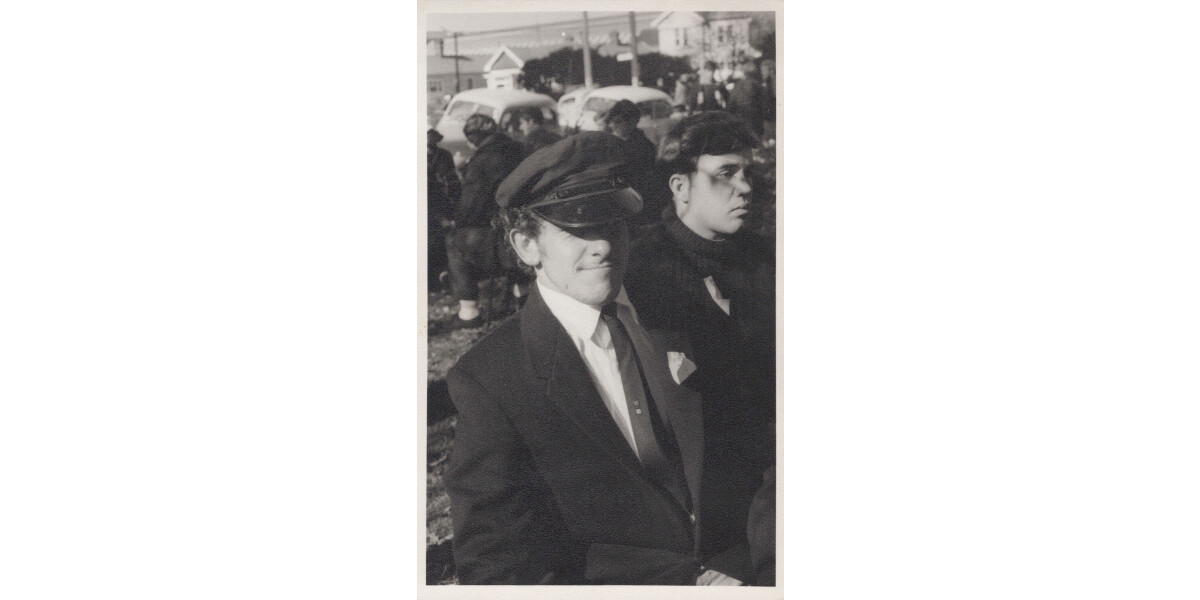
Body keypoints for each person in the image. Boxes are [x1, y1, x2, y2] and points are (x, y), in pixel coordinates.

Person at [446, 132, 747, 585]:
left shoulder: (684, 313)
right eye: (577, 230)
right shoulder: (492, 379)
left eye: (612, 224)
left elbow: (758, 446)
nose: (603, 245)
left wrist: (749, 565)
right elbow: (496, 561)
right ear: (527, 245)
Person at [623, 112, 776, 584]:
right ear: (680, 186)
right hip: (699, 516)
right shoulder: (640, 271)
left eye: (748, 172)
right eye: (725, 174)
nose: (744, 188)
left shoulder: (768, 258)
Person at [444, 114, 526, 328]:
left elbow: (471, 206)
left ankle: (468, 312)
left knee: (455, 242)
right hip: (526, 229)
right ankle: (523, 294)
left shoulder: (482, 161)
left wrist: (455, 220)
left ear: (474, 138)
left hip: (498, 238)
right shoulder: (520, 149)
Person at [600, 99, 666, 231]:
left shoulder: (642, 147)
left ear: (633, 122)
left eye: (618, 122)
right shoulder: (610, 141)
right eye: (611, 121)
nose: (612, 126)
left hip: (634, 206)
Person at [427, 129, 460, 291]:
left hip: (443, 201)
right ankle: (435, 278)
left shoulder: (445, 155)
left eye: (433, 138)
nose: (431, 141)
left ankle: (445, 274)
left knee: (444, 238)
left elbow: (452, 179)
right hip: (428, 203)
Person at [727, 60, 765, 138]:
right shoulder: (758, 86)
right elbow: (763, 106)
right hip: (755, 123)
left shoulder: (738, 85)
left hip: (741, 122)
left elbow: (731, 104)